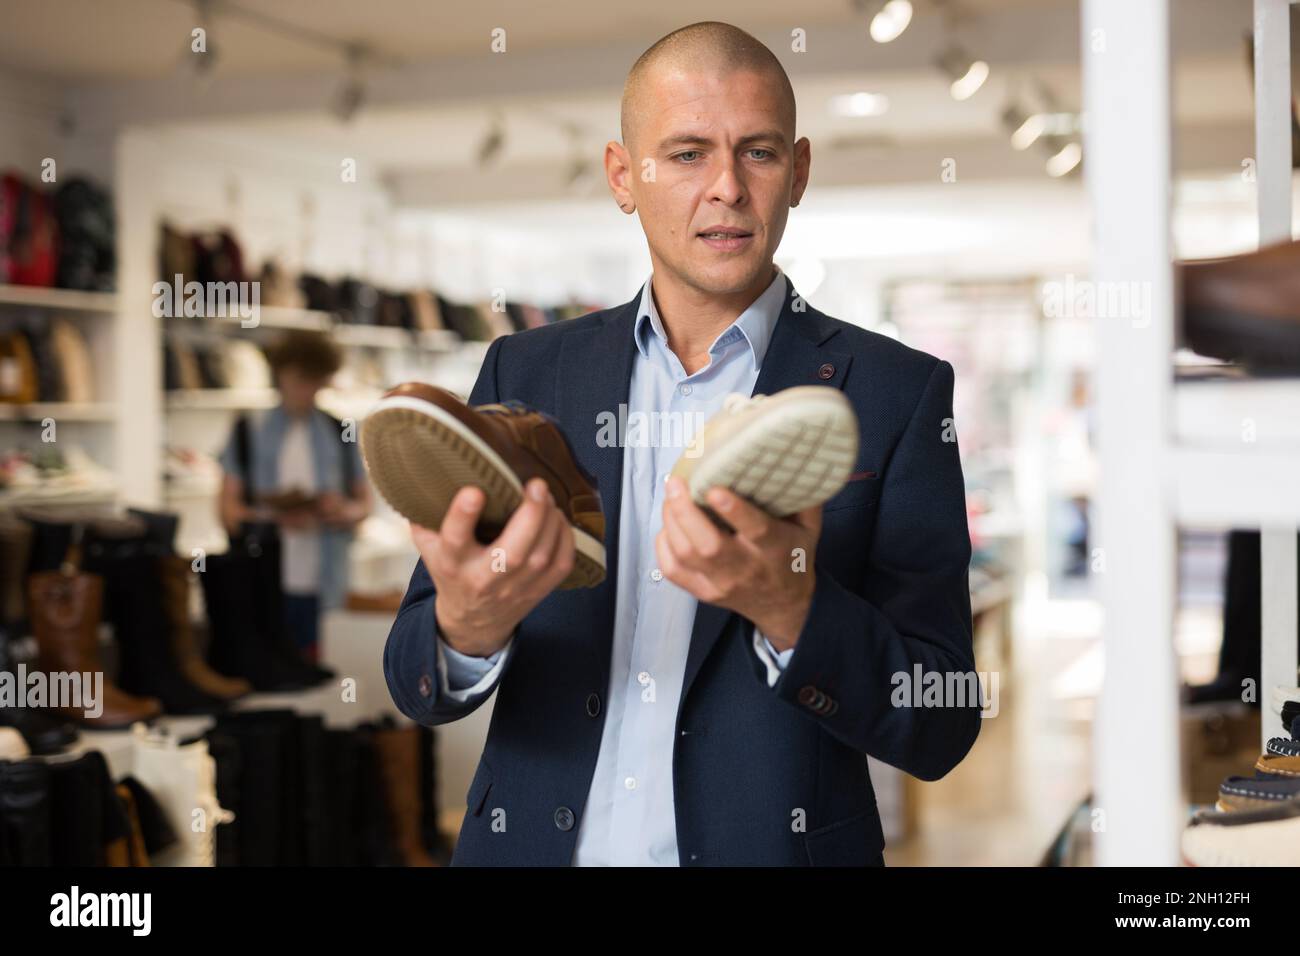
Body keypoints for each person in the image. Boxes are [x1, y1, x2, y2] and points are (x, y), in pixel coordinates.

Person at [383, 21, 980, 866]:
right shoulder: (526, 369)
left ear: (799, 170)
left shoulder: (897, 393)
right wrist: (464, 626)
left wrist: (792, 610)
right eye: (689, 153)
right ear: (624, 177)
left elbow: (943, 720)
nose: (728, 188)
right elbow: (415, 675)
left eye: (760, 153)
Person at [218, 330, 370, 661]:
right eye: (301, 379)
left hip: (327, 580)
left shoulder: (338, 430)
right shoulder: (248, 430)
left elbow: (363, 504)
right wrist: (272, 518)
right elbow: (228, 510)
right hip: (264, 580)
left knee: (324, 669)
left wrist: (341, 511)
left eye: (315, 381)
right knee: (273, 665)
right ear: (281, 374)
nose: (307, 390)